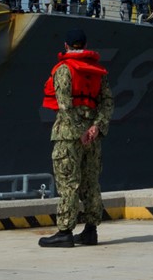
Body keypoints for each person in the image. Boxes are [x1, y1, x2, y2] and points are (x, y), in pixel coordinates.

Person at [39, 28, 113, 248]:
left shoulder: (64, 69)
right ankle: (91, 231)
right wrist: (95, 128)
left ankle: (64, 231)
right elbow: (107, 103)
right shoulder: (99, 71)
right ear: (84, 44)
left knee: (68, 183)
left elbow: (64, 104)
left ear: (66, 45)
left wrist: (79, 131)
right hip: (93, 135)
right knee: (91, 182)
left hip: (69, 135)